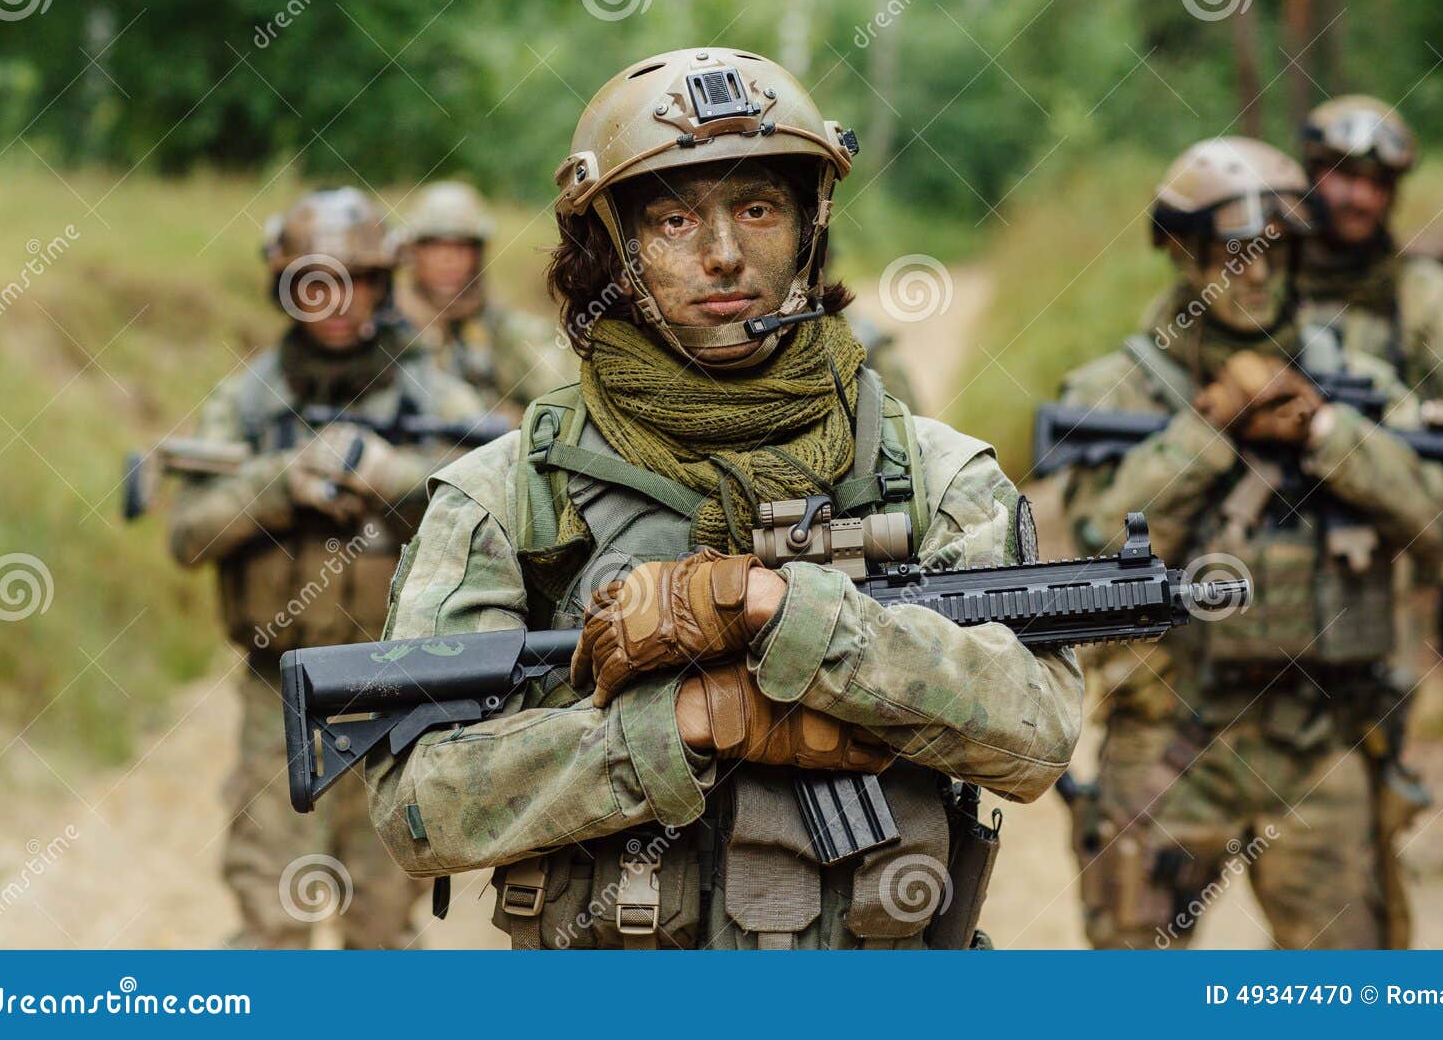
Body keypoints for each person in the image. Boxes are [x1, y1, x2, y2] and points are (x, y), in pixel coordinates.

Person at [363, 47, 1082, 950]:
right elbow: (417, 805)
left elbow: (1036, 731)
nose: (723, 254)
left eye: (758, 208)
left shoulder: (933, 471)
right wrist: (680, 727)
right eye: (671, 220)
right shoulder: (508, 493)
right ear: (613, 249)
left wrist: (788, 613)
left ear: (809, 227)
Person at [1059, 138, 1443, 949]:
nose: (1258, 276)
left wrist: (1327, 431)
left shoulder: (1356, 381)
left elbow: (1439, 529)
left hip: (1316, 738)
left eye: (1279, 253)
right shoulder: (1120, 387)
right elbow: (1099, 551)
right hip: (1172, 734)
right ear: (1184, 251)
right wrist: (1209, 433)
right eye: (1232, 255)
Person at [168, 188, 483, 949]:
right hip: (281, 687)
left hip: (399, 685)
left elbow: (488, 507)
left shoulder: (431, 388)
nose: (338, 301)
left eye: (356, 278)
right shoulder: (247, 398)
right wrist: (279, 485)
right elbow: (188, 533)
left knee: (381, 915)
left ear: (380, 284)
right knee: (270, 912)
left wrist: (391, 475)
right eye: (316, 281)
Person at [1297, 96, 1443, 647]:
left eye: (1376, 183)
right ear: (1312, 173)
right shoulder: (1263, 279)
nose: (1359, 196)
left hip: (1378, 563)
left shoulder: (1418, 293)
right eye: (1344, 176)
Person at [394, 180, 576, 418]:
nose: (448, 260)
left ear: (478, 255)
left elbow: (562, 389)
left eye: (461, 248)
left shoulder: (500, 327)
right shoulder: (389, 326)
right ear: (413, 253)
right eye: (435, 247)